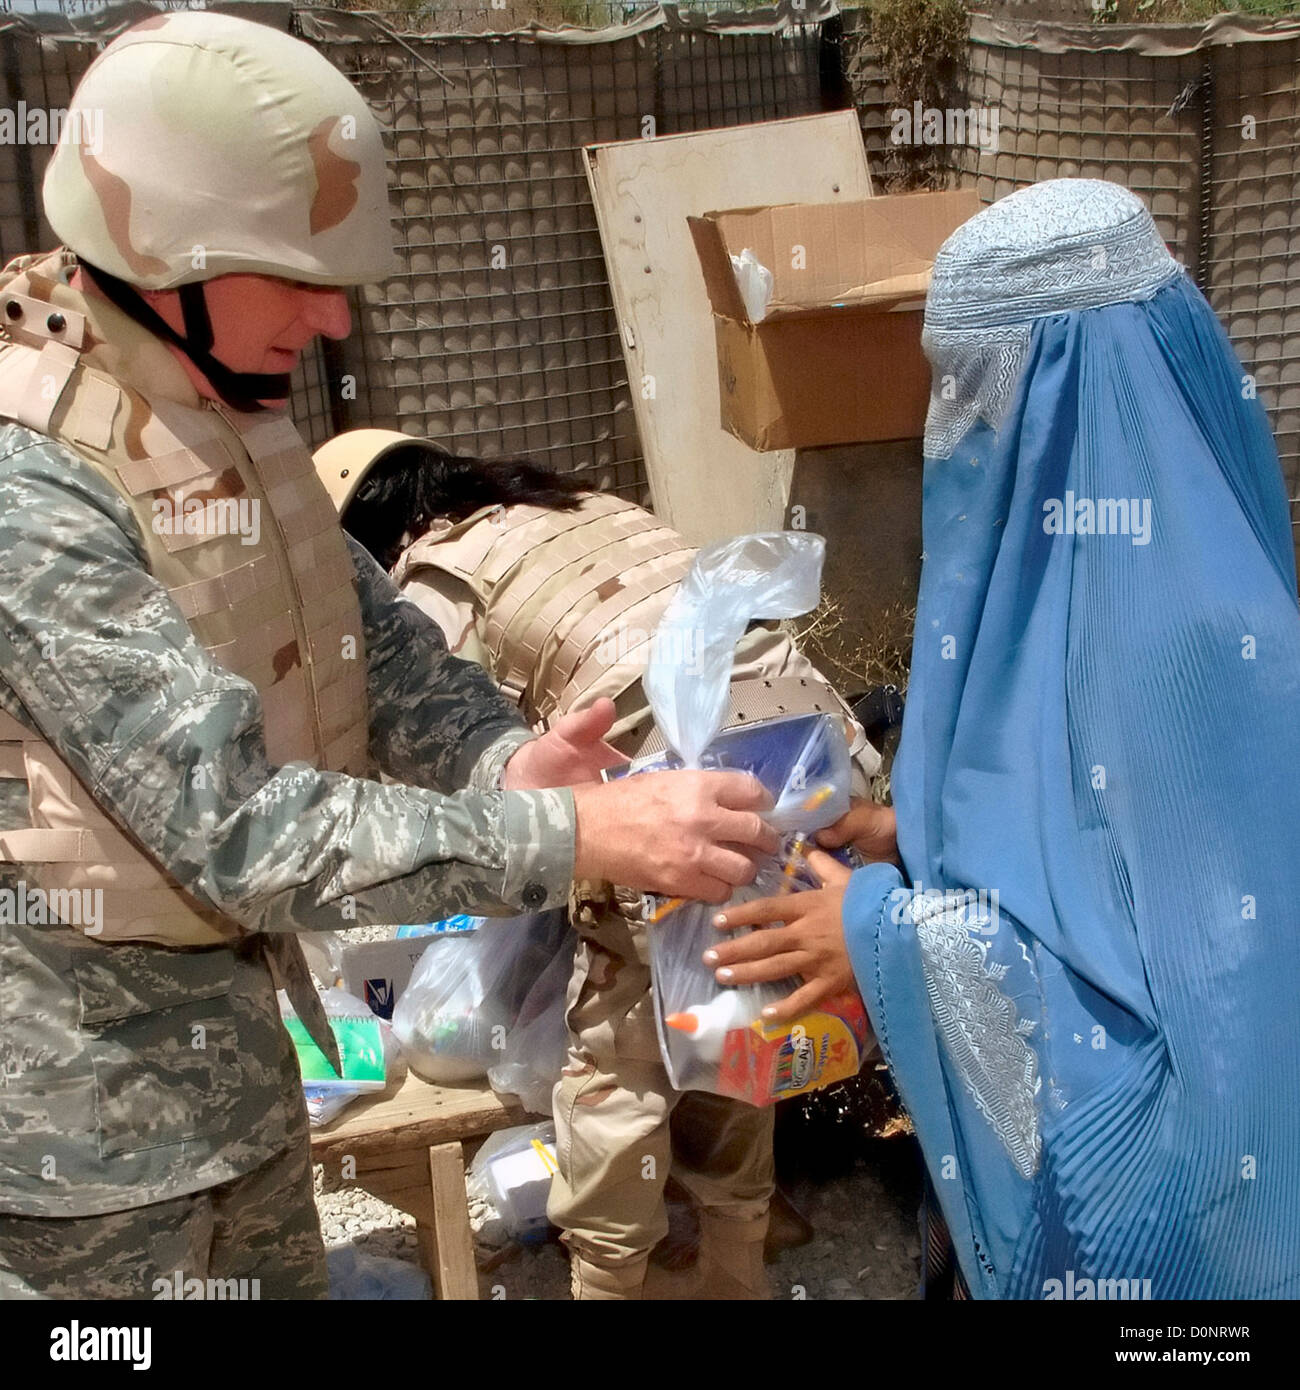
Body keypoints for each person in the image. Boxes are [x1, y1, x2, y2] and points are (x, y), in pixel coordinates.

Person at [0, 13, 775, 1300]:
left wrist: (504, 756)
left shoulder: (208, 414)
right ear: (162, 252)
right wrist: (576, 839)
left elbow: (373, 644)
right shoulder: (31, 488)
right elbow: (235, 829)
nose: (331, 317)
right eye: (294, 275)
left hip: (233, 1090)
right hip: (82, 1152)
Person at [707, 178, 1300, 1299]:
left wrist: (880, 936)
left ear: (1068, 394)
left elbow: (1218, 1038)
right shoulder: (1069, 590)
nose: (950, 429)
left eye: (976, 387)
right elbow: (1082, 850)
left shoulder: (1196, 643)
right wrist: (904, 834)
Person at [313, 428, 889, 1298]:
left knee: (616, 1053)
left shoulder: (436, 581)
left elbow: (456, 764)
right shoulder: (577, 506)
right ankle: (740, 1251)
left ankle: (611, 1280)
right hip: (812, 759)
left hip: (678, 790)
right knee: (736, 996)